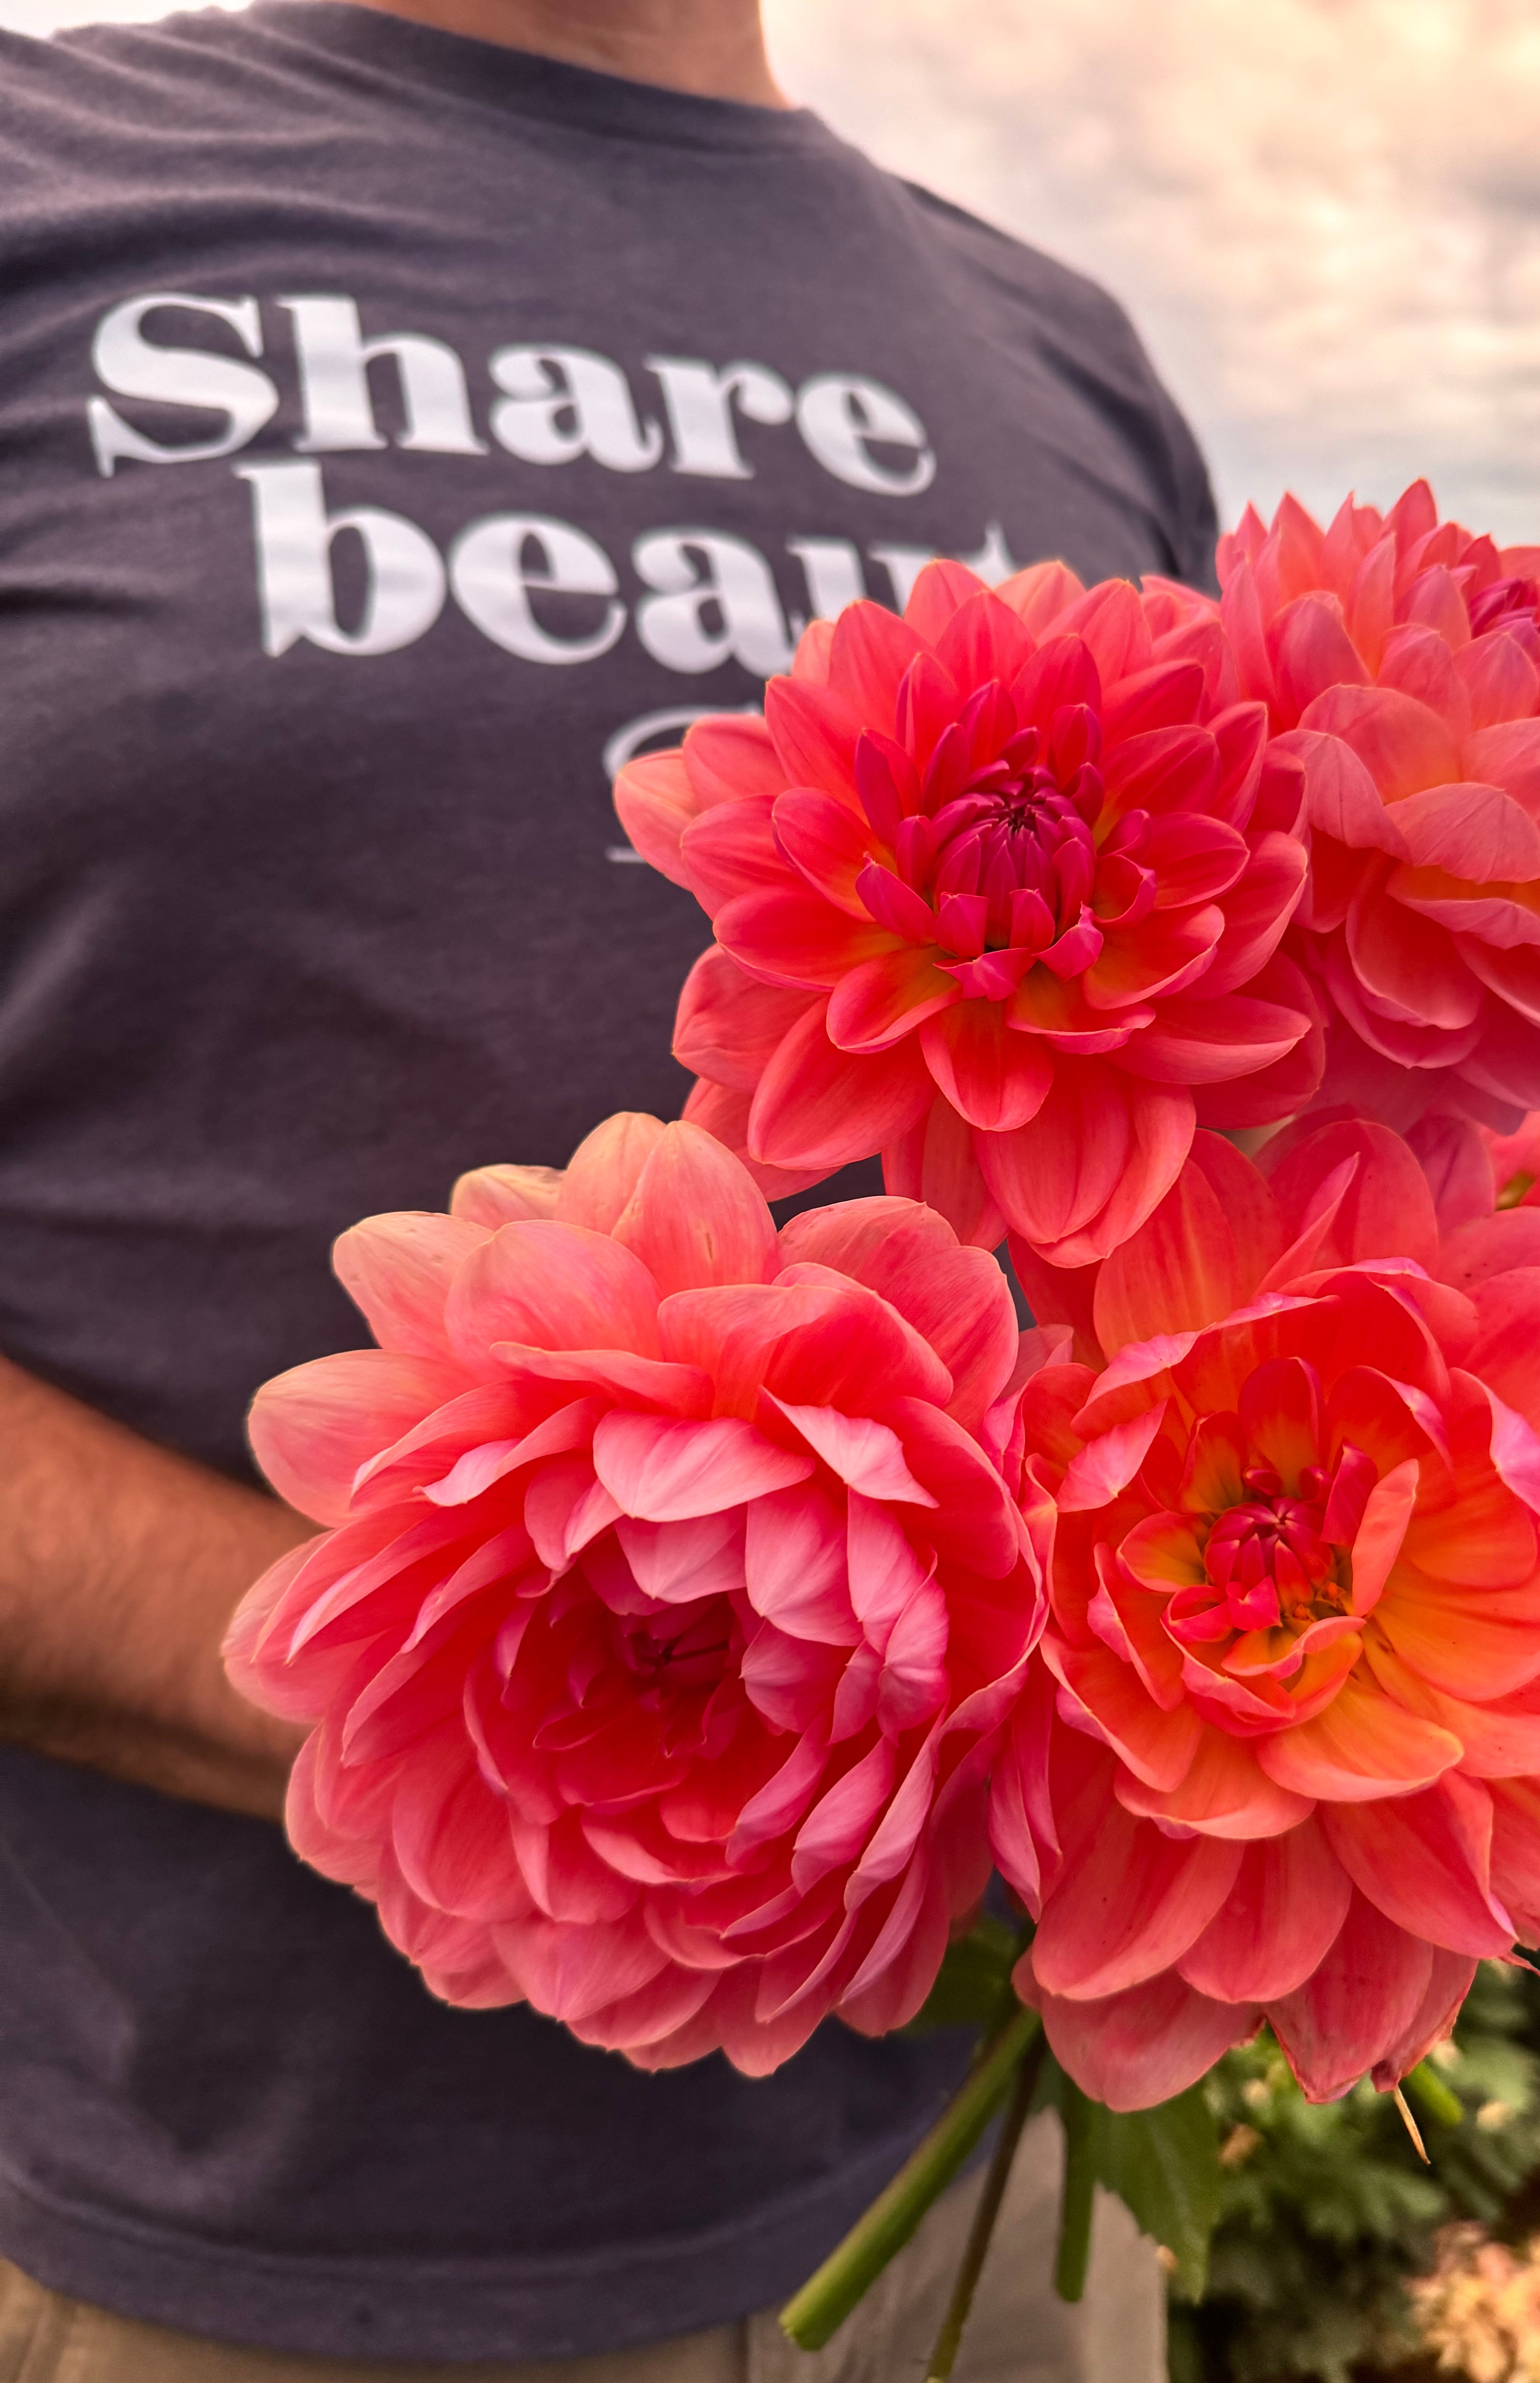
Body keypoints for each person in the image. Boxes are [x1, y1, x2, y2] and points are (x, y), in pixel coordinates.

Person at [0, 0, 1217, 2372]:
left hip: (991, 2218)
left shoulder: (1061, 355)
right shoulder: (49, 175)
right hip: (181, 2255)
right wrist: (490, 1708)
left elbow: (1191, 1186)